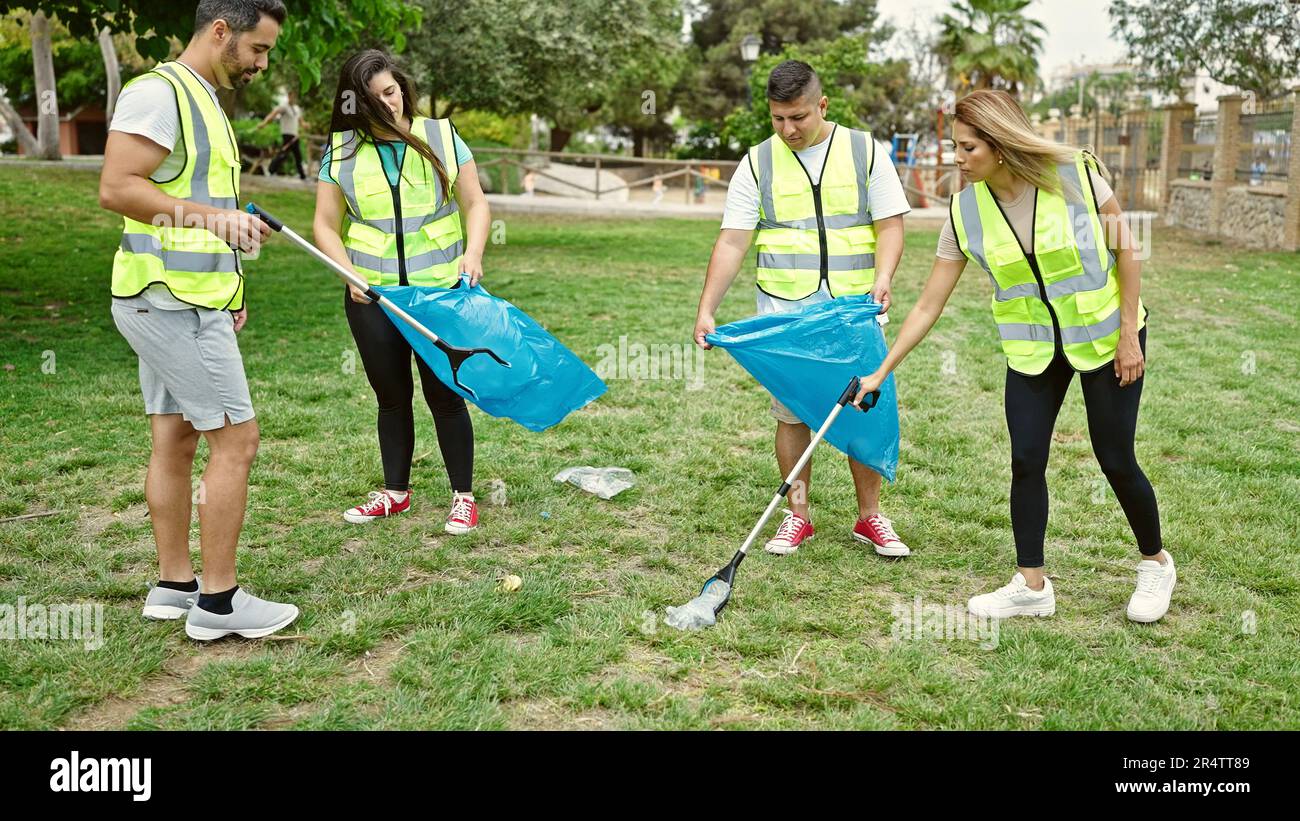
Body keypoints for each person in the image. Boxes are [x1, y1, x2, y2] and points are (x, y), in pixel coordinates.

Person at [853, 90, 1172, 623]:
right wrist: (881, 371)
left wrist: (1128, 334)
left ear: (1000, 146)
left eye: (968, 147)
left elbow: (1127, 247)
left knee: (1114, 458)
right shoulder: (965, 210)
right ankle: (1032, 585)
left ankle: (1155, 562)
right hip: (1033, 351)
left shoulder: (1074, 174)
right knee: (1026, 459)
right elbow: (930, 303)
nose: (958, 157)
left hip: (1104, 338)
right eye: (955, 146)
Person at [99, 0, 299, 641]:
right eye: (259, 49)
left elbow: (190, 198)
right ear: (221, 32)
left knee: (176, 439)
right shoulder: (158, 93)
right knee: (236, 442)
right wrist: (215, 221)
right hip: (169, 302)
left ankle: (175, 585)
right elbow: (118, 187)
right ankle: (219, 605)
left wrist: (230, 274)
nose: (262, 63)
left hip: (179, 296)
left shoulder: (204, 98)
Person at [693, 60, 912, 558]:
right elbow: (732, 242)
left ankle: (870, 518)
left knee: (860, 407)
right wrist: (707, 308)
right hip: (785, 312)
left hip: (855, 310)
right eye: (778, 119)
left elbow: (892, 226)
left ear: (822, 105)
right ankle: (798, 517)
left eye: (799, 117)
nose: (788, 129)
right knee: (791, 414)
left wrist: (884, 276)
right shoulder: (756, 163)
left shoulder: (864, 151)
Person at [312, 50, 490, 533]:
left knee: (446, 396)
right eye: (374, 101)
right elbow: (325, 225)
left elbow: (476, 204)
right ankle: (395, 493)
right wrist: (350, 274)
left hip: (440, 293)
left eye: (391, 92)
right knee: (390, 398)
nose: (388, 106)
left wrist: (472, 255)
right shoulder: (341, 150)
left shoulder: (442, 136)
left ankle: (463, 497)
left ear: (403, 88)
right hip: (374, 298)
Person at [259, 87, 306, 180]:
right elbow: (274, 114)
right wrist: (264, 123)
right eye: (291, 96)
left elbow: (301, 121)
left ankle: (302, 176)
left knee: (298, 156)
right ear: (288, 96)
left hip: (295, 136)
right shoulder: (284, 107)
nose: (293, 98)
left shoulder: (297, 109)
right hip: (287, 135)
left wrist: (306, 125)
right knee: (283, 155)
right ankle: (271, 170)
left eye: (294, 97)